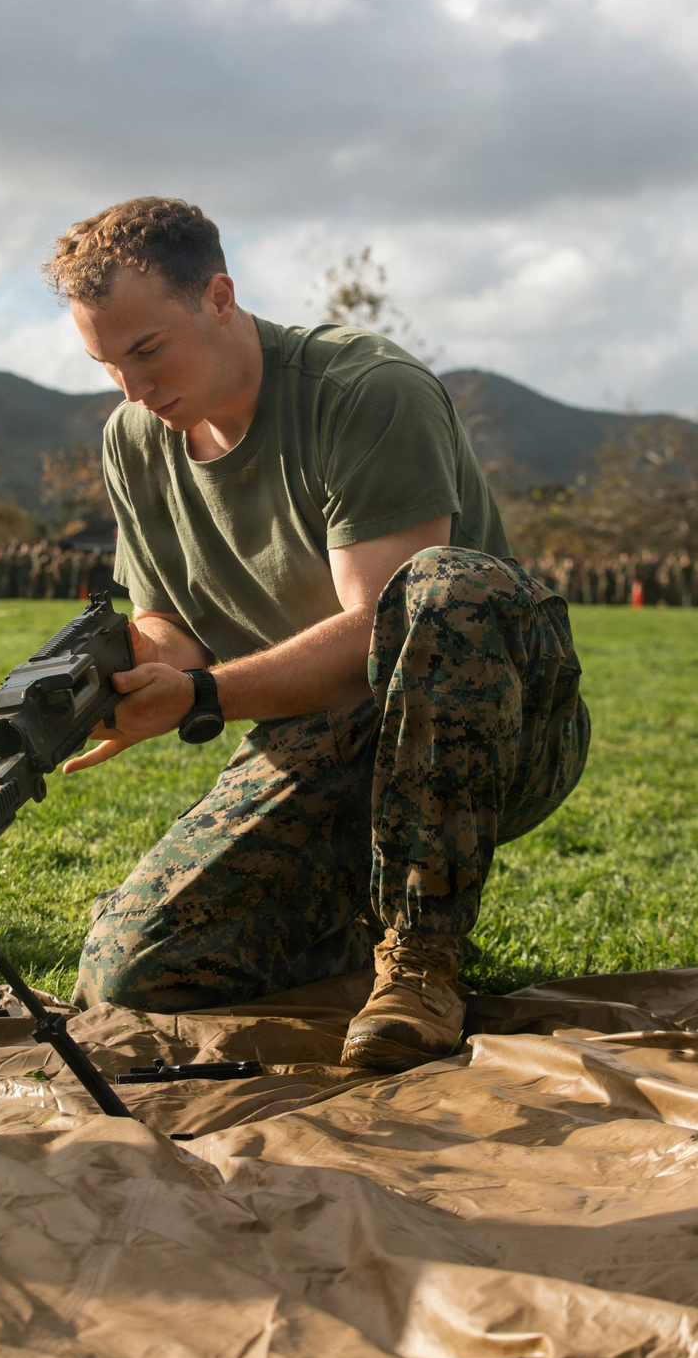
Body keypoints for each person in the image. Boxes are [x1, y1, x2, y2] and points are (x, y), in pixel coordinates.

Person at [42, 196, 591, 1075]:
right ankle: (359, 924)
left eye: (147, 351)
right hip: (323, 734)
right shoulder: (134, 441)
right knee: (130, 971)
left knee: (445, 586)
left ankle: (422, 961)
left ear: (219, 298)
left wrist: (203, 696)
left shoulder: (366, 392)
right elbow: (167, 619)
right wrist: (126, 678)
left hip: (490, 726)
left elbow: (385, 629)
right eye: (106, 365)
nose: (132, 388)